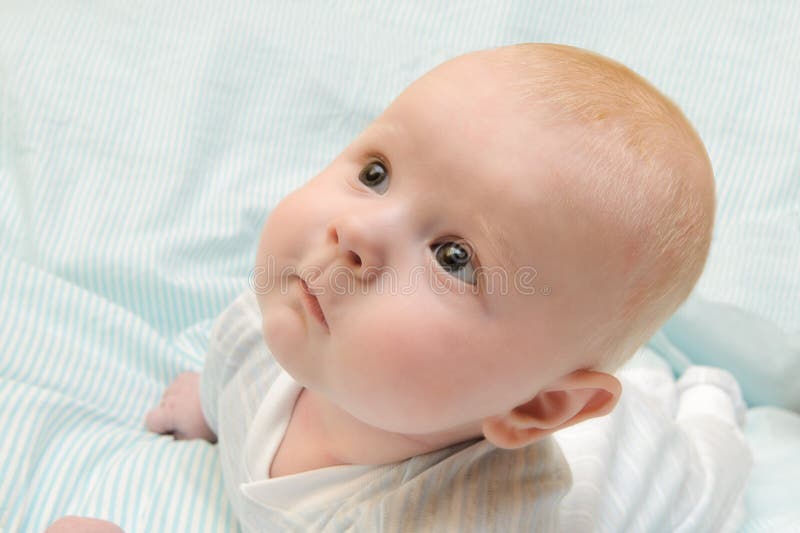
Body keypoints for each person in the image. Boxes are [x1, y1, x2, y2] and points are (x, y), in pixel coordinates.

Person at [48, 43, 748, 532]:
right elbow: (239, 367)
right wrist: (210, 401)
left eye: (452, 256)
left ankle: (714, 395)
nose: (353, 232)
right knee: (631, 363)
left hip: (635, 464)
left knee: (709, 456)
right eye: (376, 173)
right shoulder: (280, 321)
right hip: (550, 370)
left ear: (534, 405)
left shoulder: (464, 519)